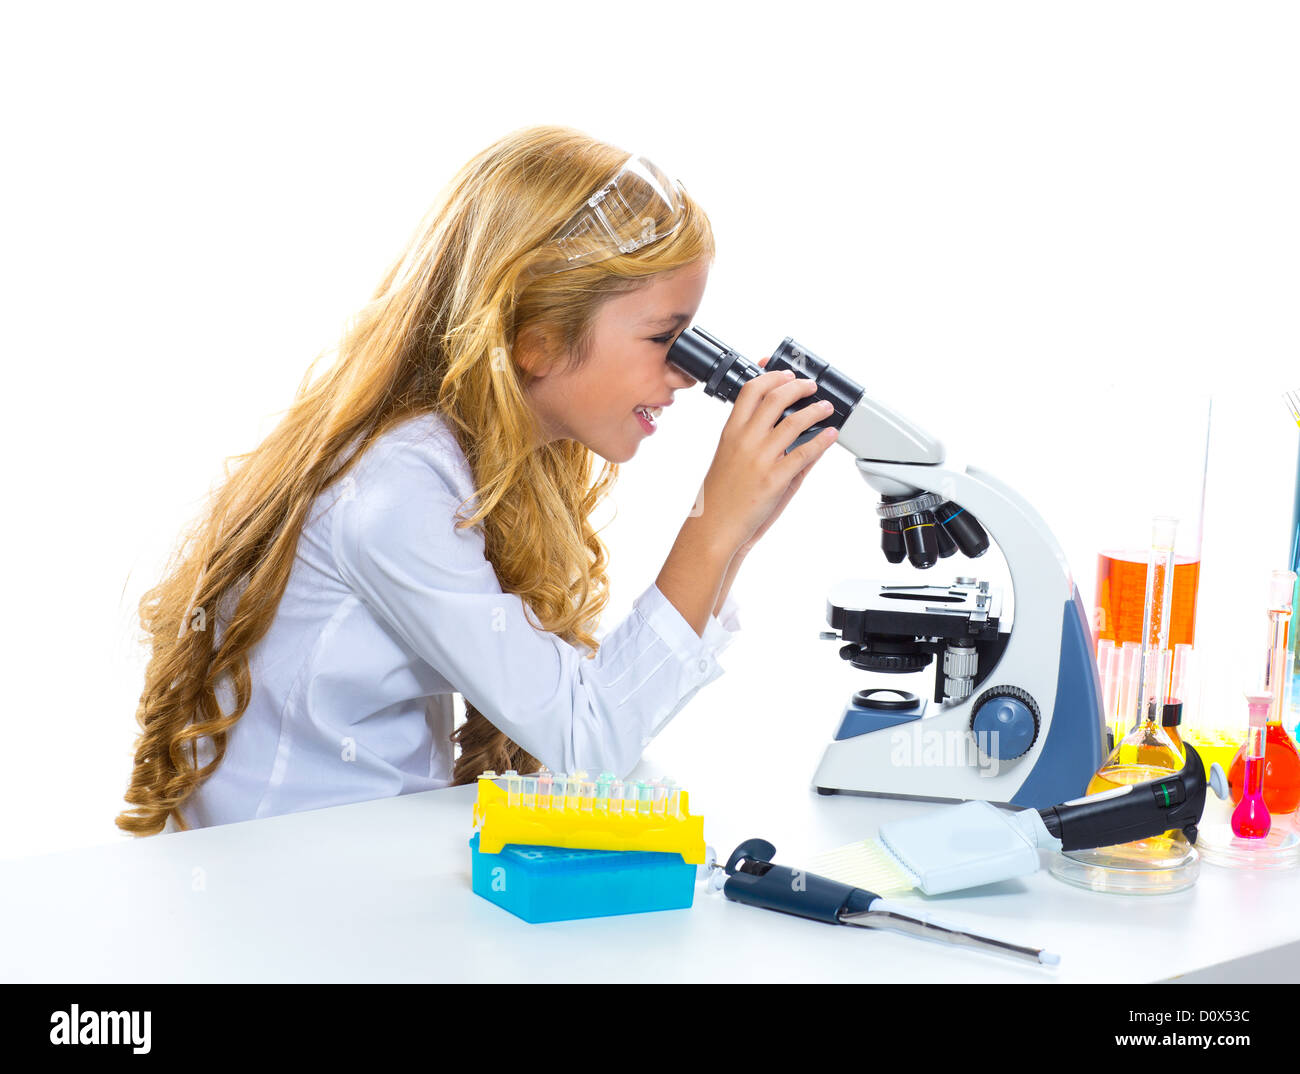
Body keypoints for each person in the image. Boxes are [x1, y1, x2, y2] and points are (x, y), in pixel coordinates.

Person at [116, 125, 837, 835]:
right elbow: (586, 745)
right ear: (536, 337)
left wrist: (740, 527)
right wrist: (713, 530)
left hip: (348, 868)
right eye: (662, 337)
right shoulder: (397, 489)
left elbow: (571, 719)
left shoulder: (469, 456)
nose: (686, 372)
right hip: (297, 894)